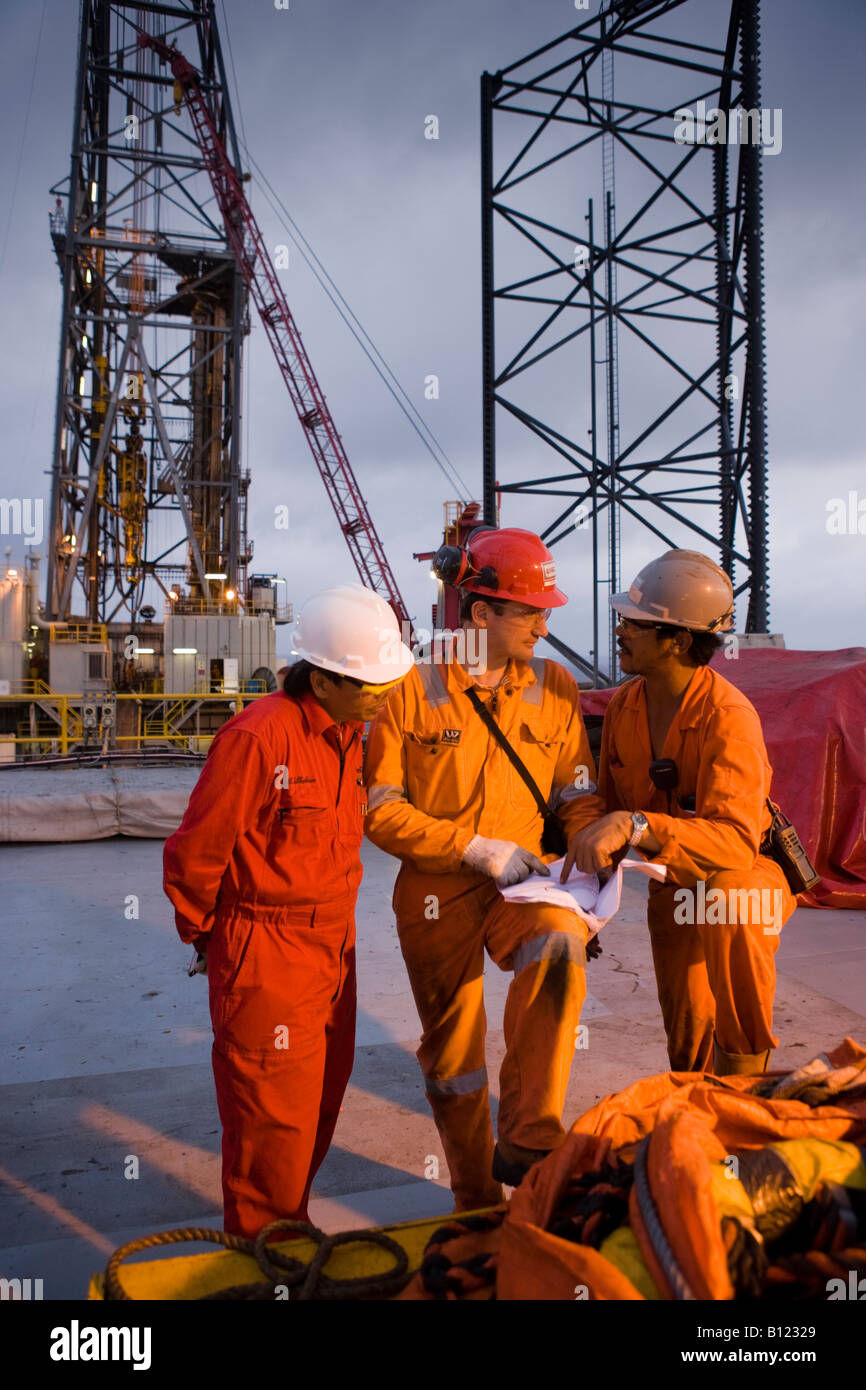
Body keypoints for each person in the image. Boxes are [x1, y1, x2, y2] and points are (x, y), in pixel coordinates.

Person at [364, 528, 606, 1206]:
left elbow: (576, 793)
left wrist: (591, 851)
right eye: (529, 610)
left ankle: (530, 1137)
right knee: (453, 1057)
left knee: (560, 944)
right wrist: (472, 847)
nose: (544, 622)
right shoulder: (409, 690)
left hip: (525, 884)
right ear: (479, 614)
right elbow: (380, 811)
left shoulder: (554, 686)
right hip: (436, 892)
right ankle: (474, 1199)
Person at [163, 584, 413, 1237]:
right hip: (267, 947)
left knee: (320, 1095)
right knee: (271, 1111)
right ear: (322, 680)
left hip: (333, 941)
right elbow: (196, 853)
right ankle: (264, 1244)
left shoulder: (349, 732)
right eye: (369, 683)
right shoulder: (257, 739)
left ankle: (289, 1220)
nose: (383, 694)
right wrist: (211, 939)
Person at [562, 549, 797, 1077]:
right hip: (674, 880)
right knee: (686, 1020)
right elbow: (610, 809)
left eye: (637, 624)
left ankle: (743, 1088)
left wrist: (640, 825)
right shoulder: (626, 703)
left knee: (731, 899)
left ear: (680, 641)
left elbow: (734, 843)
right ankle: (693, 1100)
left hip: (746, 871)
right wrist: (587, 899)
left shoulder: (729, 718)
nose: (621, 630)